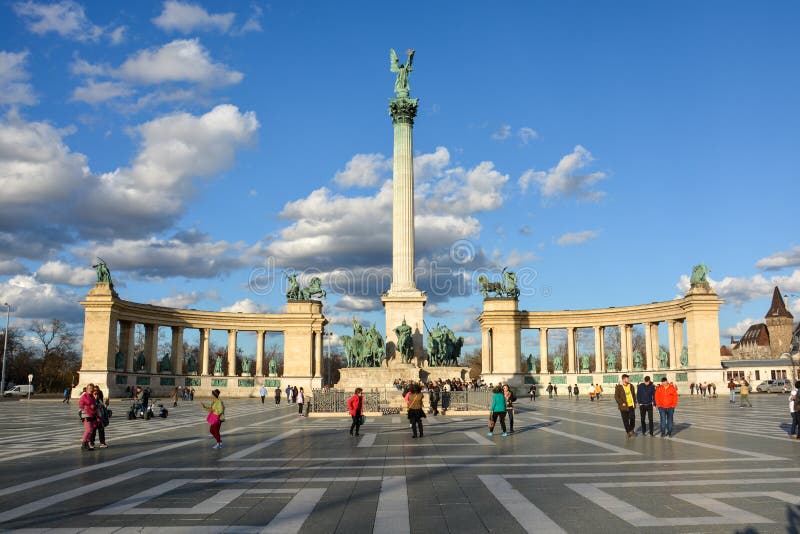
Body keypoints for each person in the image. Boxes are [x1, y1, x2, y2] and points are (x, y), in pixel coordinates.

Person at [78, 383, 98, 451]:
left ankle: (87, 443)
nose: (91, 390)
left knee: (91, 430)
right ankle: (83, 444)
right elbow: (80, 405)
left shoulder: (92, 396)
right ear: (87, 389)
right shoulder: (84, 396)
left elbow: (94, 404)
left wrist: (95, 406)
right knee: (88, 429)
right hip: (86, 414)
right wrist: (88, 407)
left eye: (92, 388)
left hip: (93, 414)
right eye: (89, 388)